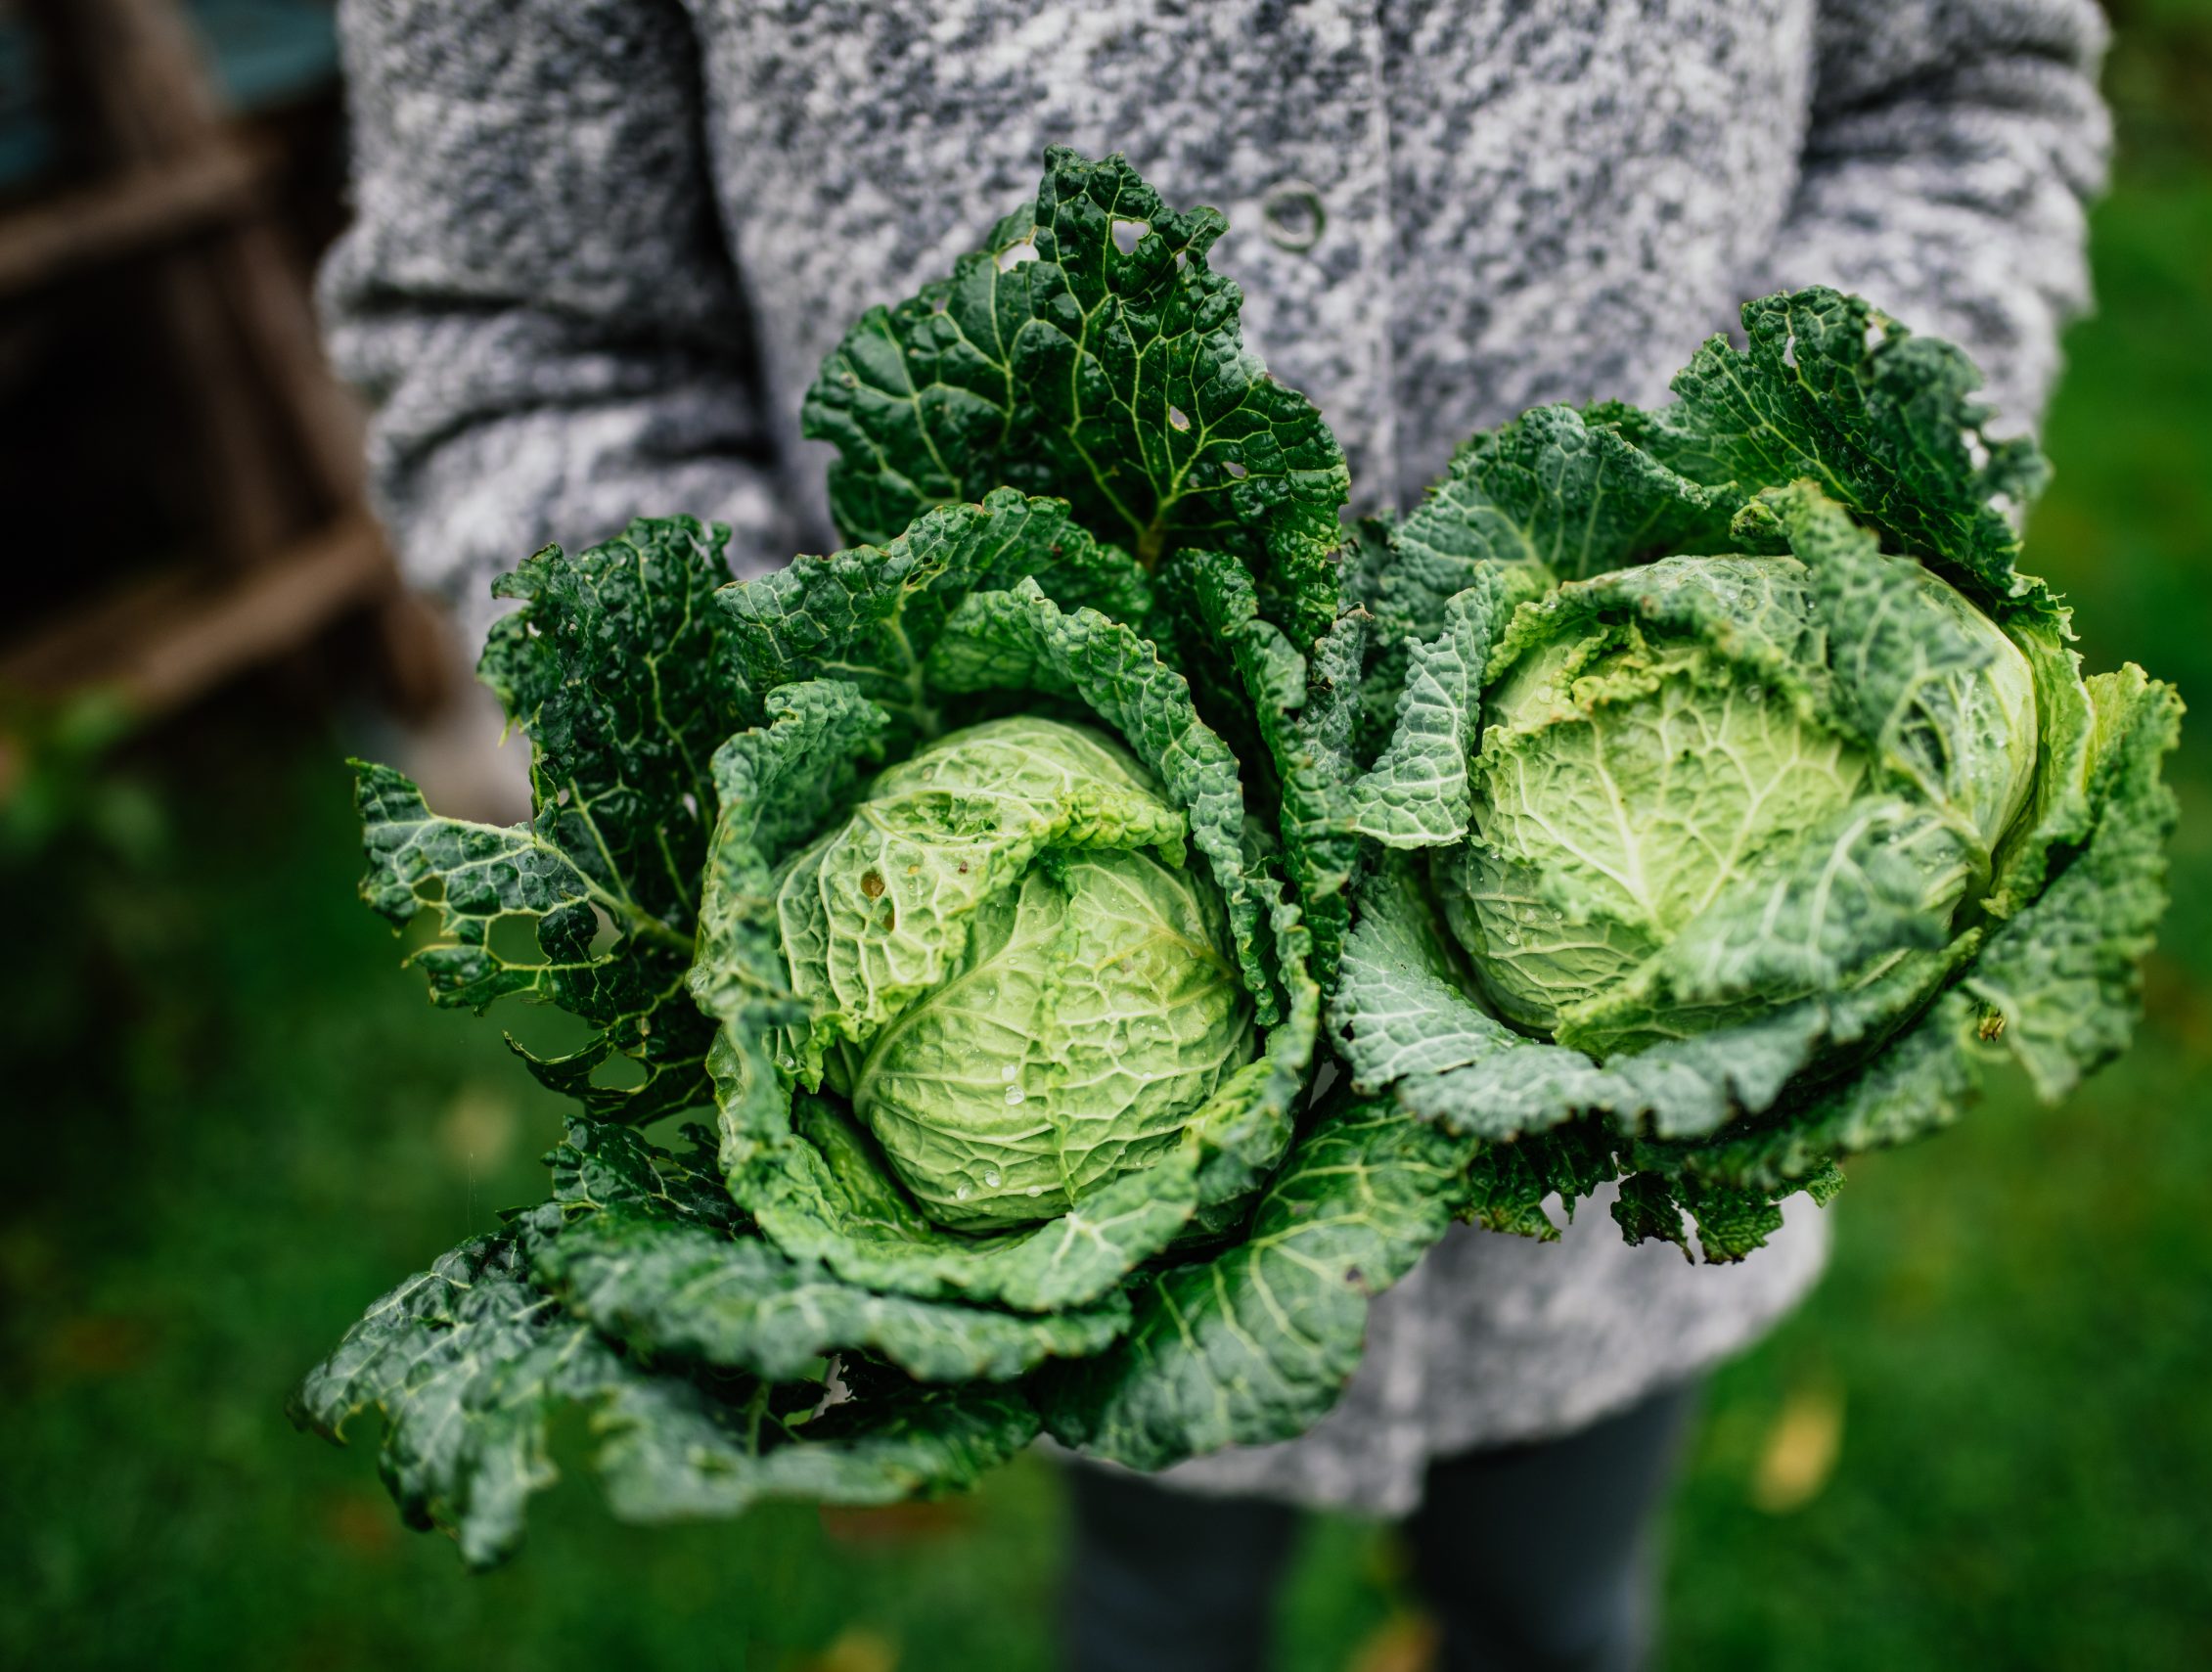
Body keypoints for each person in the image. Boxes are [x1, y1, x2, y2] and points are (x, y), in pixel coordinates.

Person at [323, 3, 2110, 1666]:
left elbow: (1959, 91)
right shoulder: (1006, 1124)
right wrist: (820, 760)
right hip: (1076, 1203)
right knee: (1154, 1597)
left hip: (1667, 1052)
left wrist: (1795, 587)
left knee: (1558, 1603)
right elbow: (520, 330)